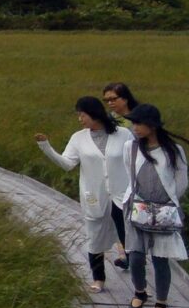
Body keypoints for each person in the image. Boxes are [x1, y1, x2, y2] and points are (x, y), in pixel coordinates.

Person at [36, 96, 133, 291]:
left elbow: (134, 160)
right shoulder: (78, 138)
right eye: (78, 116)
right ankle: (98, 279)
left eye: (83, 115)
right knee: (95, 235)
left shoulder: (123, 134)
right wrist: (46, 147)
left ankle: (138, 281)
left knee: (128, 234)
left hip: (121, 193)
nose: (80, 119)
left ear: (95, 113)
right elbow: (67, 164)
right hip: (94, 195)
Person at [114, 104, 189, 308]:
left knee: (160, 259)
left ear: (152, 125)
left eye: (139, 123)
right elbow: (130, 173)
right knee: (136, 256)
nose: (135, 127)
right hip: (137, 209)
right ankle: (140, 292)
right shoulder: (131, 147)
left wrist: (166, 203)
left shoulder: (173, 150)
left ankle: (161, 304)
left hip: (163, 211)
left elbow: (180, 182)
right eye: (133, 123)